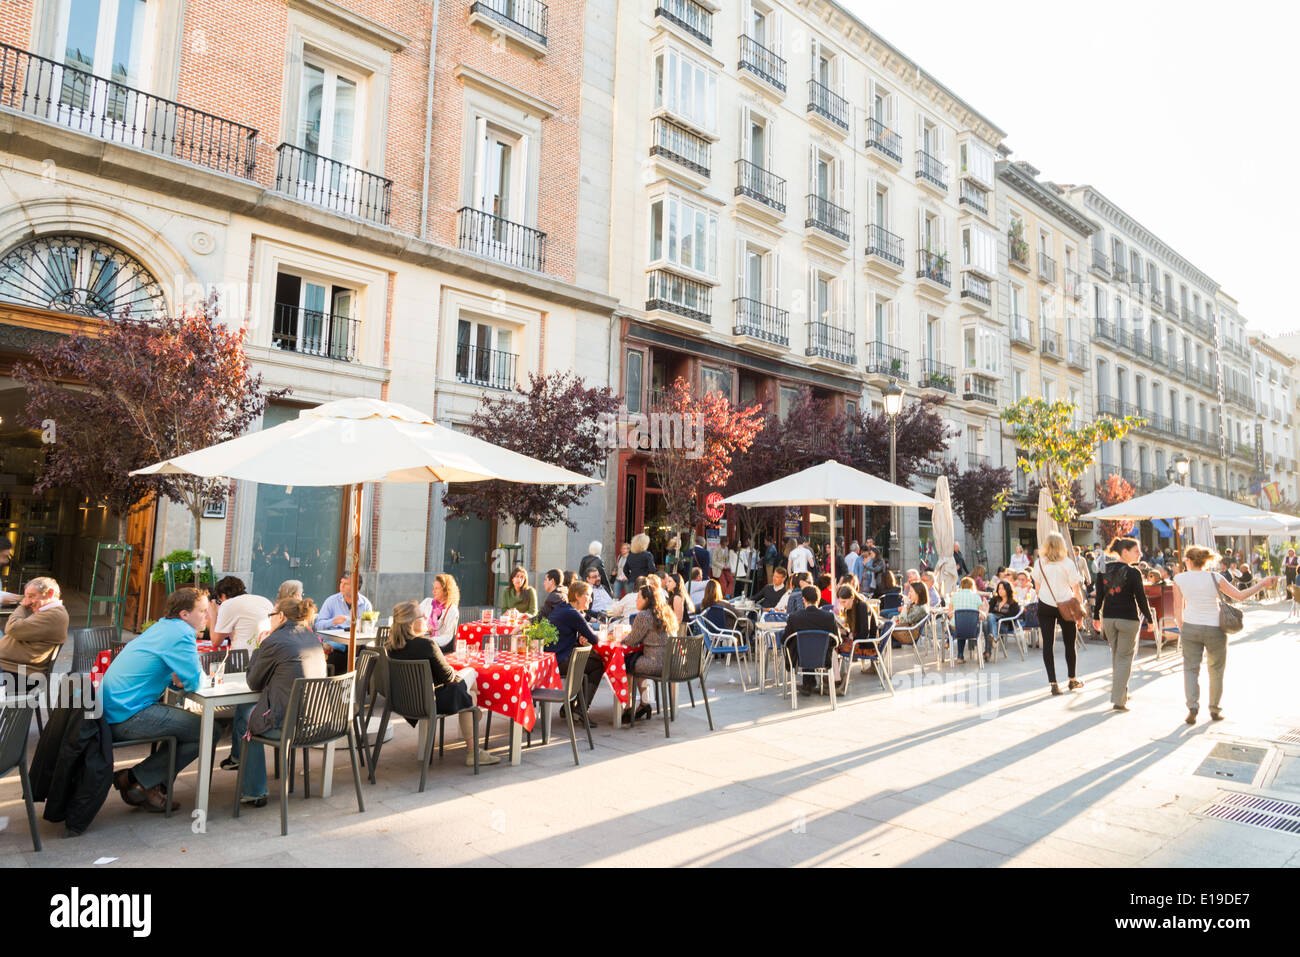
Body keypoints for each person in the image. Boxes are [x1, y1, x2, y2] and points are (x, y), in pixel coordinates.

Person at [103, 588, 209, 813]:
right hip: (127, 714)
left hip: (114, 709)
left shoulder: (163, 626)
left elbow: (169, 675)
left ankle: (145, 783)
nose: (207, 616)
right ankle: (139, 780)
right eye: (202, 611)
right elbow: (196, 682)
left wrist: (178, 681)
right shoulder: (182, 633)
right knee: (208, 730)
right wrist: (186, 681)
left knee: (189, 729)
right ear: (184, 614)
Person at [230, 596, 329, 804]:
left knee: (245, 718)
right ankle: (242, 766)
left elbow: (253, 682)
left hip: (289, 726)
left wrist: (259, 647)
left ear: (281, 616)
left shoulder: (273, 641)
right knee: (248, 711)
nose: (270, 619)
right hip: (319, 721)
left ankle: (254, 790)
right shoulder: (313, 638)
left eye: (271, 615)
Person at [381, 600, 498, 767]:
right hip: (431, 702)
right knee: (470, 674)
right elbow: (448, 678)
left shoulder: (389, 648)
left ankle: (472, 718)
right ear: (411, 624)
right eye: (422, 616)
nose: (427, 618)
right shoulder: (427, 645)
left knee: (469, 694)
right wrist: (454, 671)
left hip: (404, 703)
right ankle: (473, 745)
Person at [1172, 547, 1277, 724]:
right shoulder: (1215, 577)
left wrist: (1182, 627)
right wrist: (1262, 583)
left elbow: (1177, 608)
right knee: (1216, 669)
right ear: (1205, 561)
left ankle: (1193, 707)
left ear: (1188, 560)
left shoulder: (1179, 579)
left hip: (1191, 626)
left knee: (1190, 669)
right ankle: (1214, 709)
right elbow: (1240, 596)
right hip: (1215, 628)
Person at [1093, 537, 1153, 713]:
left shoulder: (1104, 569)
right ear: (1125, 552)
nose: (1140, 554)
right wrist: (1150, 619)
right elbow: (1141, 598)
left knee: (1117, 657)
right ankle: (1119, 700)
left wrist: (1096, 616)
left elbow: (1099, 596)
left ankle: (1122, 693)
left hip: (1109, 618)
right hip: (1128, 618)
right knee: (1124, 658)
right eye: (1136, 551)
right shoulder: (1133, 572)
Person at [1032, 532, 1087, 696]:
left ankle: (1053, 684)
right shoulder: (1068, 563)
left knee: (1048, 644)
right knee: (1070, 643)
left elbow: (1037, 588)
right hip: (1066, 605)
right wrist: (1079, 612)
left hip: (1045, 605)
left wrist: (1047, 597)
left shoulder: (1039, 563)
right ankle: (1072, 679)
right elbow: (1076, 589)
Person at [544, 581, 606, 725]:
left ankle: (569, 707)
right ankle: (581, 710)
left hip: (551, 658)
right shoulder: (573, 613)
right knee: (597, 665)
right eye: (588, 595)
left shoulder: (563, 608)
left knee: (585, 664)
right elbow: (594, 639)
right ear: (577, 596)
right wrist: (586, 636)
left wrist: (579, 638)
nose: (590, 599)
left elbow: (564, 633)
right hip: (557, 661)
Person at [624, 584, 678, 724]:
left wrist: (619, 638)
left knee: (627, 664)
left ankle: (628, 707)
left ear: (646, 599)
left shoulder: (644, 616)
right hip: (673, 662)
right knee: (636, 661)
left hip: (656, 664)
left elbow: (632, 641)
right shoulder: (666, 612)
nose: (636, 600)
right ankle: (644, 704)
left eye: (638, 597)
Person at [0, 576, 68, 683]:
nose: (28, 601)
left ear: (50, 593)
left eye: (31, 596)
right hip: (9, 667)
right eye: (26, 597)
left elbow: (13, 628)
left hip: (18, 672)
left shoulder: (54, 615)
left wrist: (22, 606)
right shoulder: (46, 612)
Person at [781, 585, 839, 695]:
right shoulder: (829, 617)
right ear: (819, 599)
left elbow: (784, 640)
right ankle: (809, 684)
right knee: (812, 647)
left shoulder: (794, 617)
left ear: (804, 599)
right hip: (823, 657)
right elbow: (837, 640)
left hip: (800, 658)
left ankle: (808, 685)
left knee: (802, 647)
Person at [314, 574, 373, 670]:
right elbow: (318, 626)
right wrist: (333, 621)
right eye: (341, 582)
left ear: (356, 586)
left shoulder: (365, 604)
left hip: (356, 645)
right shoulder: (331, 601)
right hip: (334, 644)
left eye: (346, 584)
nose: (341, 586)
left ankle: (356, 676)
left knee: (368, 655)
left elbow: (368, 628)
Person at [211, 576, 274, 651]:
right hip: (269, 653)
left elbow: (215, 642)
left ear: (223, 595)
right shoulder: (264, 601)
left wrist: (213, 613)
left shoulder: (228, 604)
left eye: (219, 601)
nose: (220, 604)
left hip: (245, 655)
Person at [947, 577, 986, 663]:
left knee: (959, 625)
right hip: (972, 629)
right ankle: (960, 657)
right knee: (965, 624)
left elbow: (950, 614)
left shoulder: (954, 596)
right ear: (972, 586)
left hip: (957, 630)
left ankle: (958, 653)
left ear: (961, 585)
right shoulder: (976, 597)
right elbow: (981, 615)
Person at [423, 574, 461, 653]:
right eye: (433, 588)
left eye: (437, 588)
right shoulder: (427, 602)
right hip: (423, 642)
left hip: (440, 649)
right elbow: (414, 618)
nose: (433, 591)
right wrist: (425, 627)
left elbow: (448, 637)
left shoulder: (452, 610)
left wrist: (429, 641)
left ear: (446, 590)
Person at [983, 581, 1020, 658]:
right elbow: (989, 611)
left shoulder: (1013, 603)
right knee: (986, 624)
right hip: (994, 624)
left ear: (1008, 590)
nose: (1000, 591)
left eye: (1003, 589)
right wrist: (987, 607)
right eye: (999, 588)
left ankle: (989, 648)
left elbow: (1011, 617)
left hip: (1004, 625)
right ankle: (994, 639)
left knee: (989, 619)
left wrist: (998, 616)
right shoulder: (994, 600)